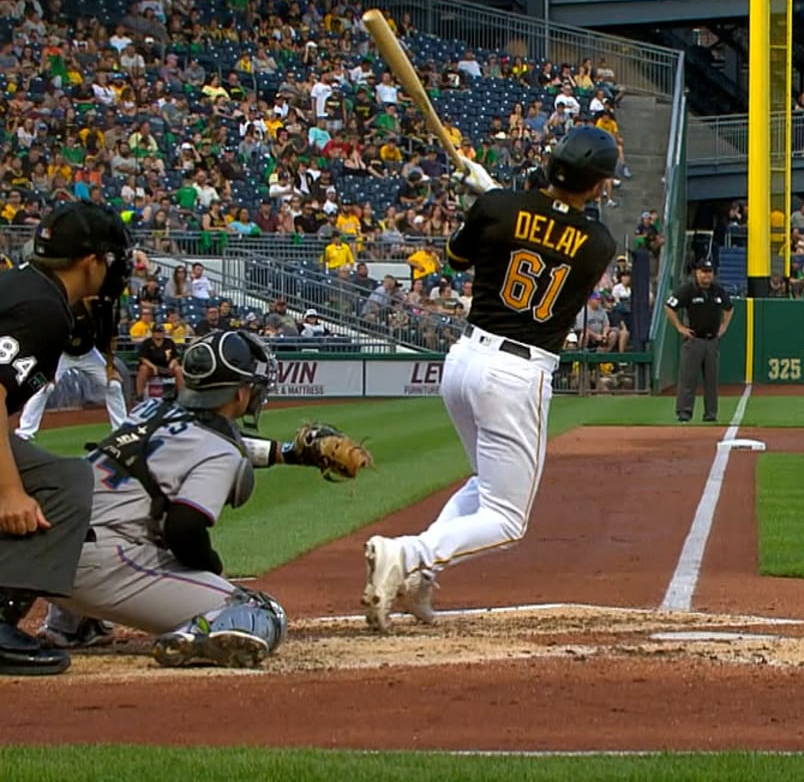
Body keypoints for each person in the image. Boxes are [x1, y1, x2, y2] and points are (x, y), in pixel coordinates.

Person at [360, 127, 619, 632]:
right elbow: (552, 226)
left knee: (485, 484)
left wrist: (491, 196)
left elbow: (462, 255)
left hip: (462, 361)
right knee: (507, 519)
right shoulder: (599, 245)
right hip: (517, 374)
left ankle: (420, 576)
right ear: (596, 185)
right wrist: (500, 194)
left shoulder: (498, 208)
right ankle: (408, 554)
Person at [36, 330, 355, 668]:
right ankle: (197, 634)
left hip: (46, 551)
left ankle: (69, 625)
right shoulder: (219, 450)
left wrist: (287, 454)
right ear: (239, 393)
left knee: (124, 517)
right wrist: (211, 572)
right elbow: (184, 528)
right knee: (261, 610)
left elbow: (200, 440)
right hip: (103, 566)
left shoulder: (149, 411)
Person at [0, 202, 130, 676]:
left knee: (55, 474)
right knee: (66, 484)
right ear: (90, 261)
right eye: (112, 260)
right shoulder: (44, 307)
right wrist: (10, 492)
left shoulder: (27, 287)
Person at [14, 297, 130, 440]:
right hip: (62, 353)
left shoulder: (103, 310)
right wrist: (49, 370)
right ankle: (24, 432)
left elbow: (110, 339)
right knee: (43, 387)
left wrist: (110, 368)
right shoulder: (70, 309)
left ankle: (120, 430)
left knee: (113, 385)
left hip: (89, 354)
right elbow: (51, 338)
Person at [666, 259, 733, 423]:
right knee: (687, 379)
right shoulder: (689, 290)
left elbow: (729, 308)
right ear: (697, 272)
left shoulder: (717, 291)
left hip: (711, 340)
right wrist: (680, 327)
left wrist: (724, 327)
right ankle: (684, 412)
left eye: (709, 272)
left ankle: (711, 414)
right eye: (703, 272)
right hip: (694, 339)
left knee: (711, 380)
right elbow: (669, 306)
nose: (706, 275)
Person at [135, 323, 184, 400]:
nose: (159, 334)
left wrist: (171, 365)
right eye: (157, 332)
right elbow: (143, 358)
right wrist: (153, 367)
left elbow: (175, 357)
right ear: (153, 333)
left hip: (166, 366)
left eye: (161, 332)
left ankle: (181, 395)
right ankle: (139, 395)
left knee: (178, 369)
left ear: (164, 333)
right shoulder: (147, 343)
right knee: (143, 369)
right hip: (152, 367)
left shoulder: (169, 342)